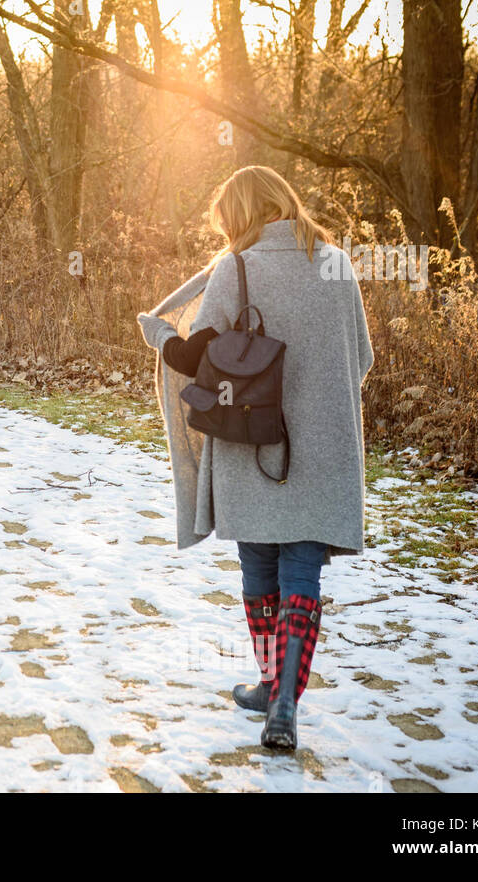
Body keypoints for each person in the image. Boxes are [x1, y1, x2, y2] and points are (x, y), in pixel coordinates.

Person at [137, 166, 374, 750]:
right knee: (302, 572)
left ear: (243, 215)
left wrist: (158, 336)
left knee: (259, 569)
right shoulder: (336, 264)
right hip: (323, 451)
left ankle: (272, 686)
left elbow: (196, 359)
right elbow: (361, 359)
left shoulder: (234, 268)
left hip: (251, 443)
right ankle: (285, 705)